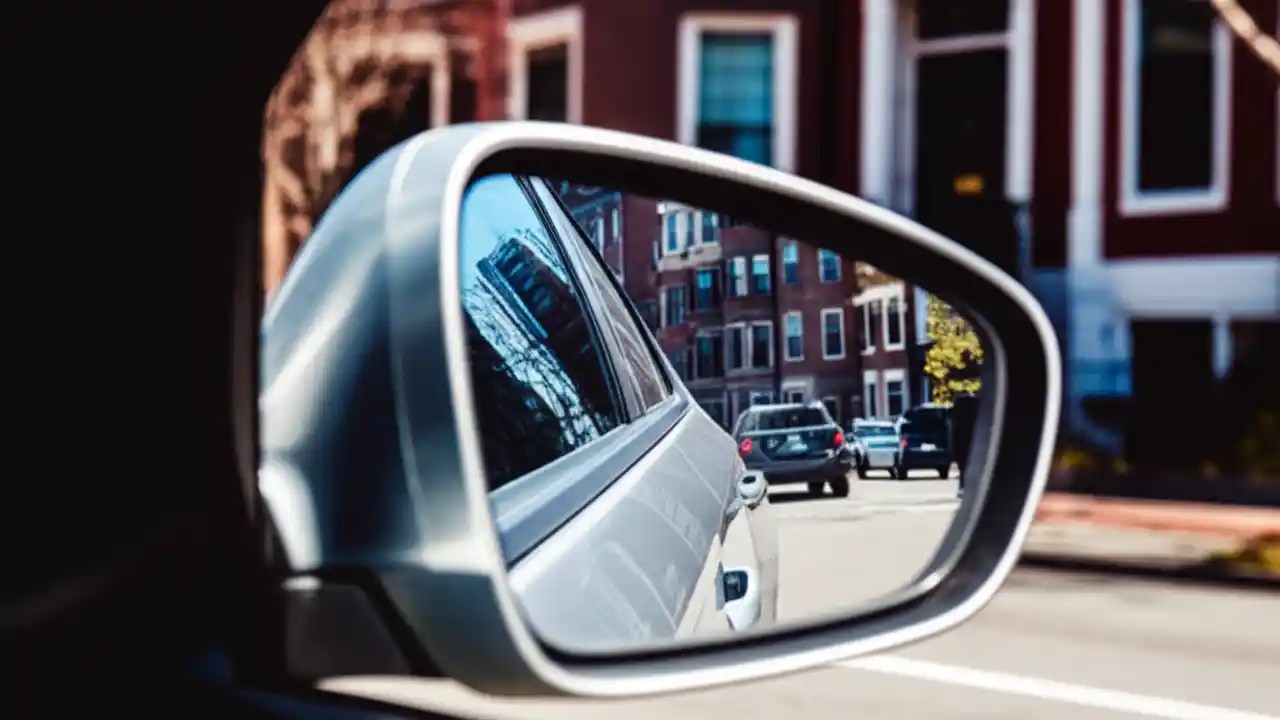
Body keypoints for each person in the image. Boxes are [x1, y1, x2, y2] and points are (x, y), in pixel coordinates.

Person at [950, 394, 979, 498]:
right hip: (970, 447)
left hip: (964, 448)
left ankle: (964, 487)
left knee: (964, 467)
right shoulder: (975, 420)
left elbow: (955, 439)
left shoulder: (958, 421)